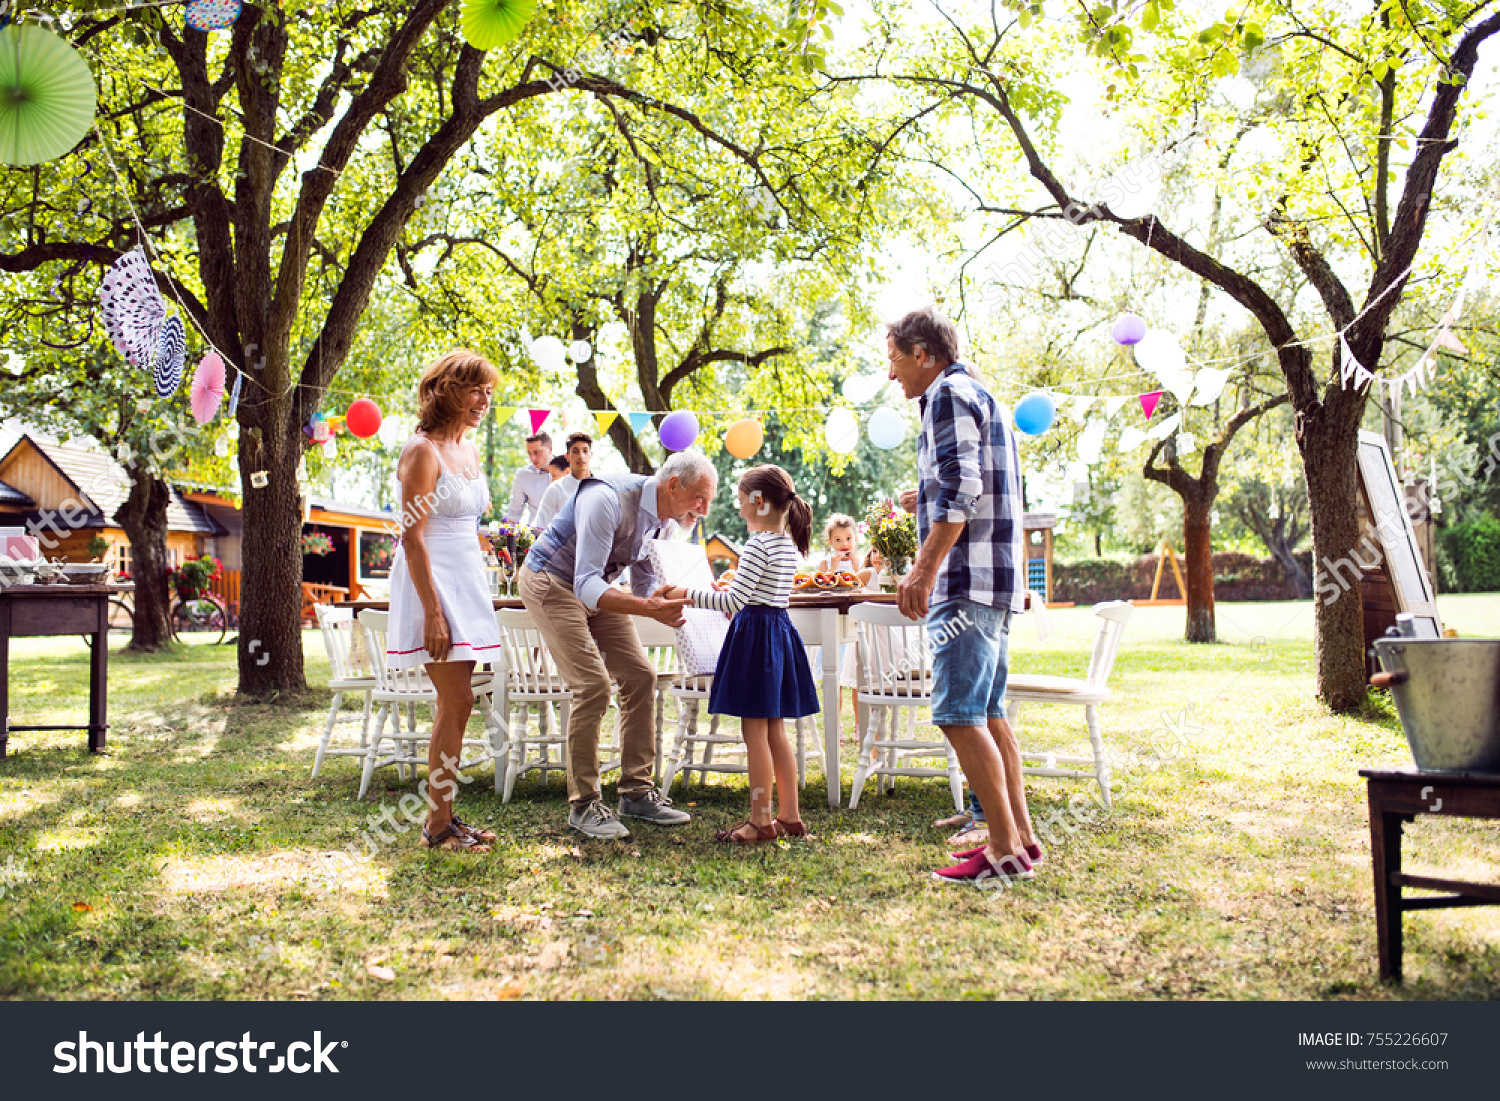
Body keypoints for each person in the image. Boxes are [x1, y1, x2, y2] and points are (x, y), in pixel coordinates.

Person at [886, 305, 1041, 886]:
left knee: (956, 713)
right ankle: (1020, 839)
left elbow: (962, 490)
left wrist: (923, 570)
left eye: (897, 360)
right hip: (996, 580)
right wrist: (921, 498)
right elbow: (969, 482)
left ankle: (1001, 848)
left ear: (923, 354)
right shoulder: (980, 393)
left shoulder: (948, 396)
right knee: (990, 712)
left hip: (965, 580)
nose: (892, 373)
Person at [517, 451, 716, 839]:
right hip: (551, 581)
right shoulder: (605, 498)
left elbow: (645, 586)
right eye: (700, 498)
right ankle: (584, 804)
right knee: (592, 686)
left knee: (641, 676)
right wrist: (648, 608)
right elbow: (586, 583)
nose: (703, 510)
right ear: (673, 484)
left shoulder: (664, 521)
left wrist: (702, 596)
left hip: (596, 588)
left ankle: (637, 793)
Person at [655, 465, 818, 842]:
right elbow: (751, 595)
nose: (740, 509)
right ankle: (789, 815)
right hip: (777, 634)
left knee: (755, 732)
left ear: (759, 502)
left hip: (755, 640)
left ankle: (760, 821)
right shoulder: (785, 544)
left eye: (742, 502)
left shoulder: (758, 545)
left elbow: (736, 600)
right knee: (776, 730)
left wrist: (686, 594)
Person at [386, 350, 503, 854]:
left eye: (488, 392)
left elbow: (466, 527)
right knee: (457, 700)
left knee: (459, 702)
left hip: (467, 579)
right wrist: (432, 609)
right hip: (430, 582)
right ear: (445, 390)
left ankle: (445, 818)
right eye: (474, 389)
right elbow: (412, 537)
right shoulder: (421, 451)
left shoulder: (469, 450)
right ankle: (437, 825)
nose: (483, 400)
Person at [533, 431, 592, 530]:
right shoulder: (556, 489)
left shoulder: (602, 487)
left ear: (591, 454)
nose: (581, 456)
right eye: (575, 451)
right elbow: (540, 526)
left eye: (585, 451)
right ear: (567, 456)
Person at [504, 432, 554, 524]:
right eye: (529, 453)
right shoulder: (523, 476)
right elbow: (514, 512)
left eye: (537, 452)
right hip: (537, 535)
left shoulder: (567, 472)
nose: (532, 458)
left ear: (550, 449)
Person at [817, 514, 870, 582]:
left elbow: (864, 588)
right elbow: (821, 587)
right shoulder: (825, 563)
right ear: (830, 542)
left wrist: (857, 570)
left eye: (848, 538)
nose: (844, 544)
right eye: (838, 540)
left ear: (855, 539)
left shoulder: (863, 562)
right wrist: (832, 569)